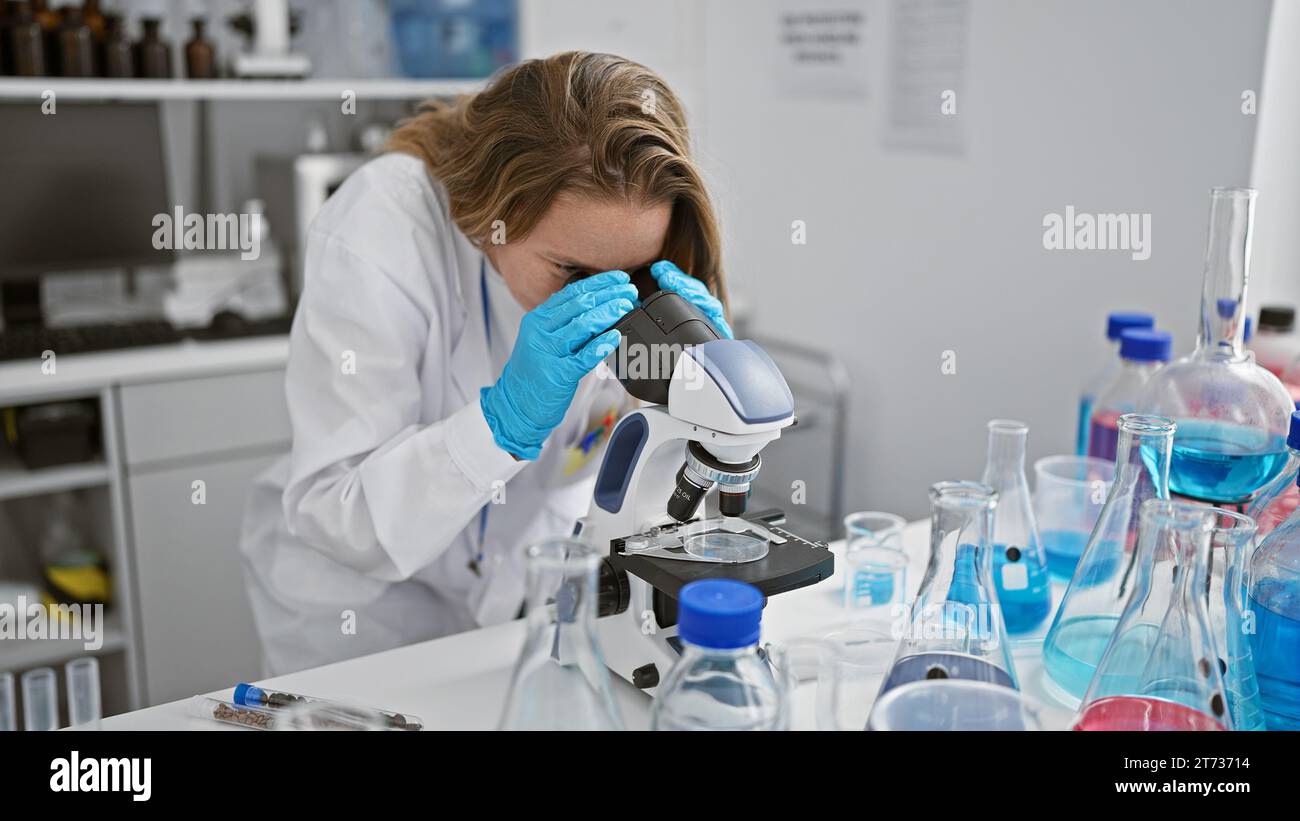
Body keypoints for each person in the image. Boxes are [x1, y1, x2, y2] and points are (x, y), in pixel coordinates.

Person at [239, 51, 732, 675]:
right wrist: (499, 425)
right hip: (363, 613)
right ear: (487, 213)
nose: (603, 306)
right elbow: (334, 510)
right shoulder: (383, 224)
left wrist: (693, 397)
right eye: (573, 272)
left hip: (514, 600)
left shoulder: (645, 285)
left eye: (631, 273)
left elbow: (606, 477)